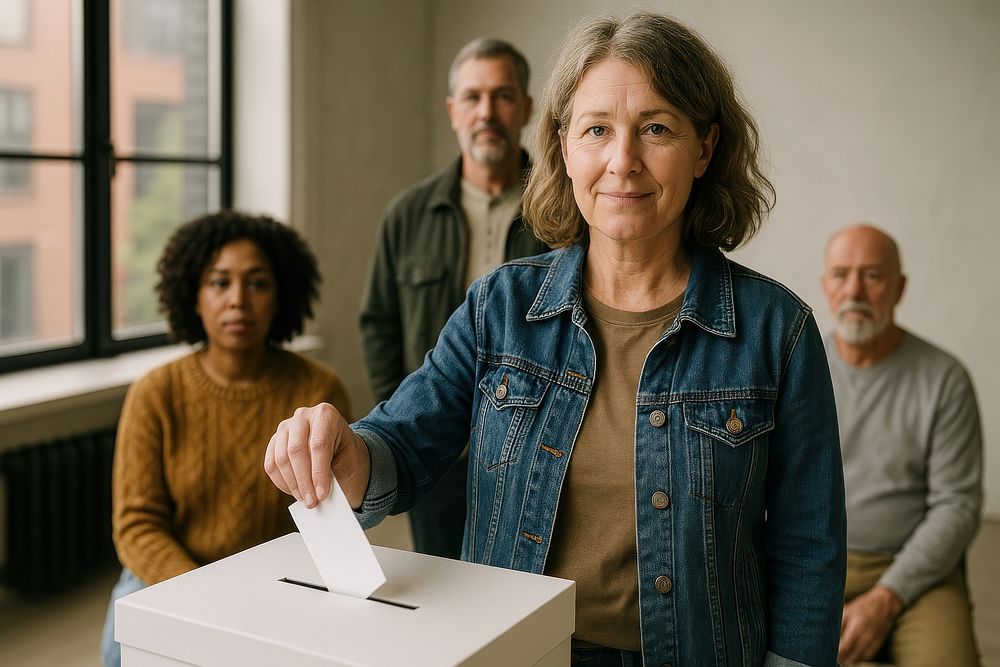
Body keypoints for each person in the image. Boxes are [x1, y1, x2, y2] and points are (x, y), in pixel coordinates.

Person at [267, 12, 846, 666]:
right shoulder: (500, 306)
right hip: (519, 650)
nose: (622, 161)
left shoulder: (779, 330)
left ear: (705, 148)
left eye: (656, 128)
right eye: (597, 129)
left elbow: (809, 547)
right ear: (565, 146)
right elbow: (401, 442)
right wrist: (348, 451)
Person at [100, 212, 351, 667]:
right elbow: (137, 525)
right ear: (193, 297)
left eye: (257, 284)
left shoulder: (318, 391)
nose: (238, 300)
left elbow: (335, 519)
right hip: (169, 574)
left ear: (280, 298)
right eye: (219, 283)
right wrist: (204, 597)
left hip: (275, 581)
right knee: (122, 645)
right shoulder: (155, 393)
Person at [358, 37, 547, 559]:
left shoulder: (564, 210)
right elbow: (379, 322)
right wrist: (405, 411)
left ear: (526, 108)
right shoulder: (408, 214)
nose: (486, 111)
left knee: (526, 599)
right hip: (436, 448)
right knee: (442, 598)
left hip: (534, 453)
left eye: (503, 95)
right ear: (452, 111)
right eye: (472, 96)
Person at [821, 224, 982, 666]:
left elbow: (958, 504)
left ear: (899, 286)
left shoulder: (944, 378)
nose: (854, 290)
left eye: (872, 275)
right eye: (841, 274)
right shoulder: (798, 368)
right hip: (810, 563)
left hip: (913, 569)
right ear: (825, 285)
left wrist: (887, 597)